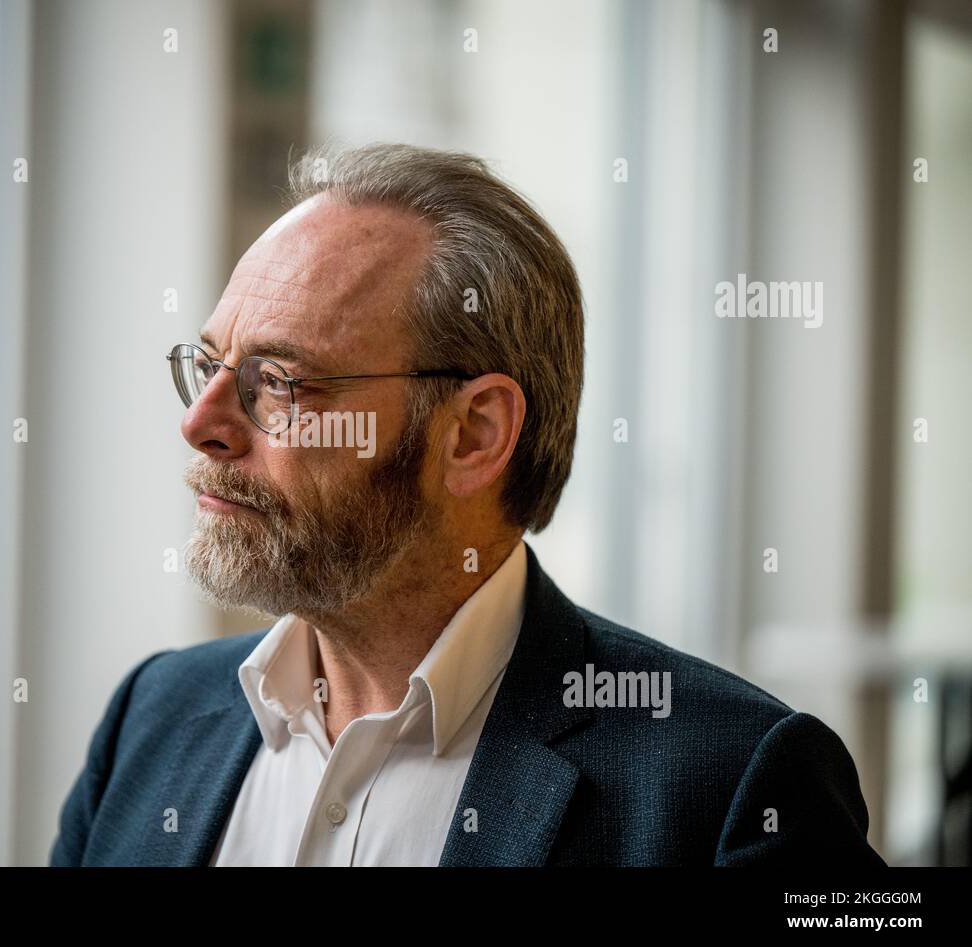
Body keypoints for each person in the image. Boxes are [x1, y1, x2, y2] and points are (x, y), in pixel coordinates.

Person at [50, 143, 885, 866]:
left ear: (473, 434)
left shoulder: (730, 784)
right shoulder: (150, 719)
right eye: (207, 366)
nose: (201, 425)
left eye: (277, 382)